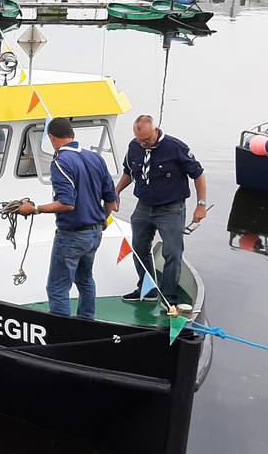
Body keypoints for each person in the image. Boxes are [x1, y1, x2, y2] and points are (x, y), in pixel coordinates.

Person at [18, 117, 118, 320]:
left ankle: (61, 329)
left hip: (72, 235)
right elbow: (111, 198)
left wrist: (34, 209)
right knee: (85, 280)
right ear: (72, 135)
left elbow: (67, 203)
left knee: (57, 287)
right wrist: (103, 220)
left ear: (52, 138)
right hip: (94, 233)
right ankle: (86, 321)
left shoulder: (61, 162)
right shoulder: (96, 158)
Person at [115, 115, 206, 304]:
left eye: (147, 139)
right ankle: (147, 289)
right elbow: (128, 172)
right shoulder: (134, 147)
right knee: (139, 248)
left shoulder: (176, 147)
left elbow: (198, 174)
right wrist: (115, 192)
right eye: (140, 140)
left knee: (172, 252)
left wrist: (201, 205)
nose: (144, 144)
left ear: (156, 130)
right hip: (144, 206)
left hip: (171, 209)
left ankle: (168, 297)